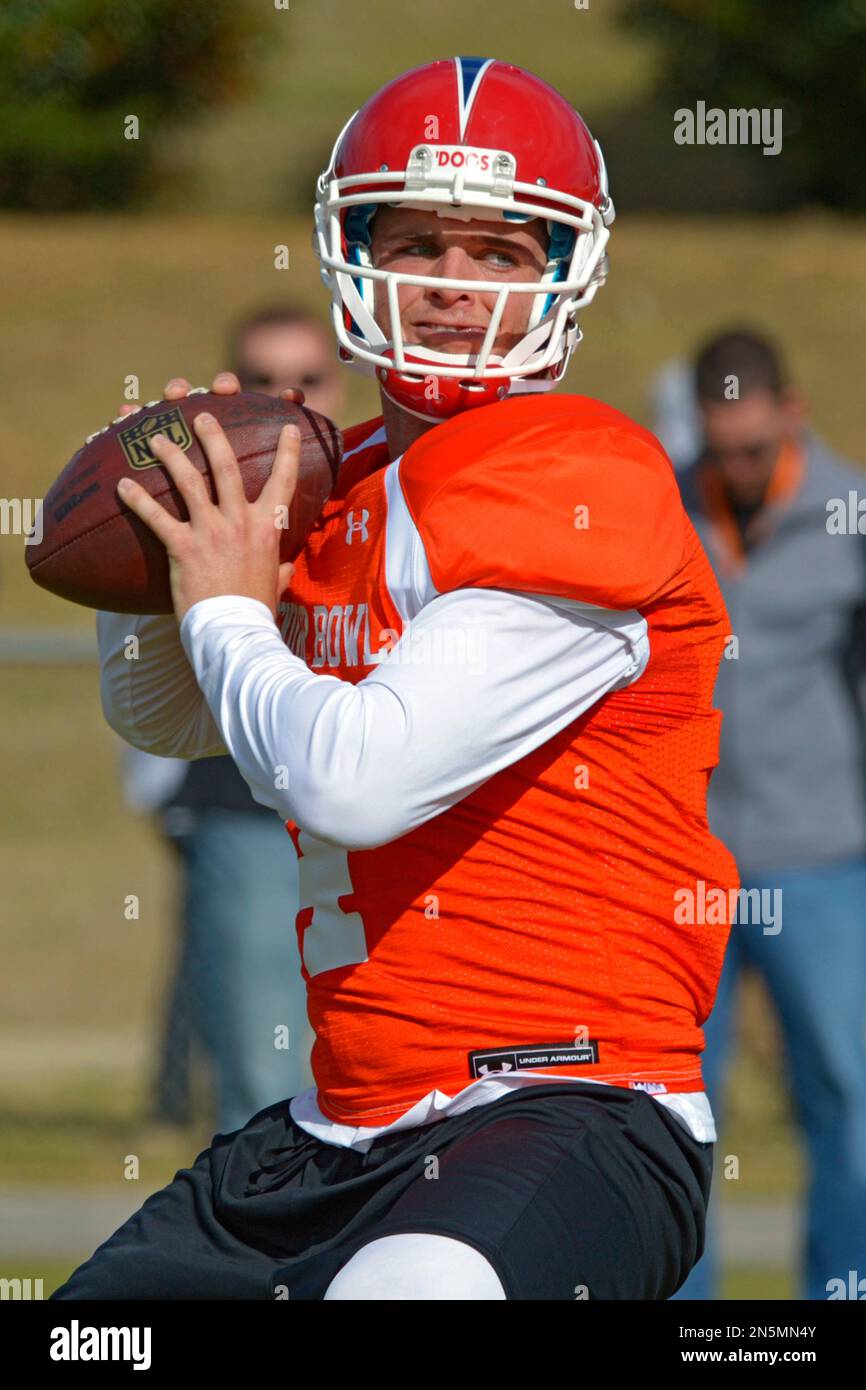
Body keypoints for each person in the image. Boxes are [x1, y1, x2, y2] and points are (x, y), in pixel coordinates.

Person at [54, 57, 737, 1302]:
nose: (449, 285)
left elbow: (353, 781)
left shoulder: (583, 473)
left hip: (562, 1098)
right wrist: (168, 558)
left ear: (562, 272)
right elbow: (165, 710)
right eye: (417, 238)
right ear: (347, 248)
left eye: (497, 250)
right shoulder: (337, 478)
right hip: (344, 1116)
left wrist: (219, 601)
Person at [671, 329, 866, 1300]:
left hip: (820, 854)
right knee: (675, 1107)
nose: (734, 467)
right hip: (685, 866)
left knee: (845, 1091)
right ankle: (681, 1302)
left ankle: (841, 1292)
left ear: (790, 412)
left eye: (751, 447)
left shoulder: (850, 511)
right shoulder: (660, 505)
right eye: (719, 448)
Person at [119, 308, 344, 1135]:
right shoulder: (197, 505)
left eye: (307, 377)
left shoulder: (372, 489)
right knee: (261, 1087)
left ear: (339, 382)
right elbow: (146, 698)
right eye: (256, 378)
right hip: (242, 812)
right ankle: (275, 1269)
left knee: (388, 1090)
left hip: (374, 819)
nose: (283, 395)